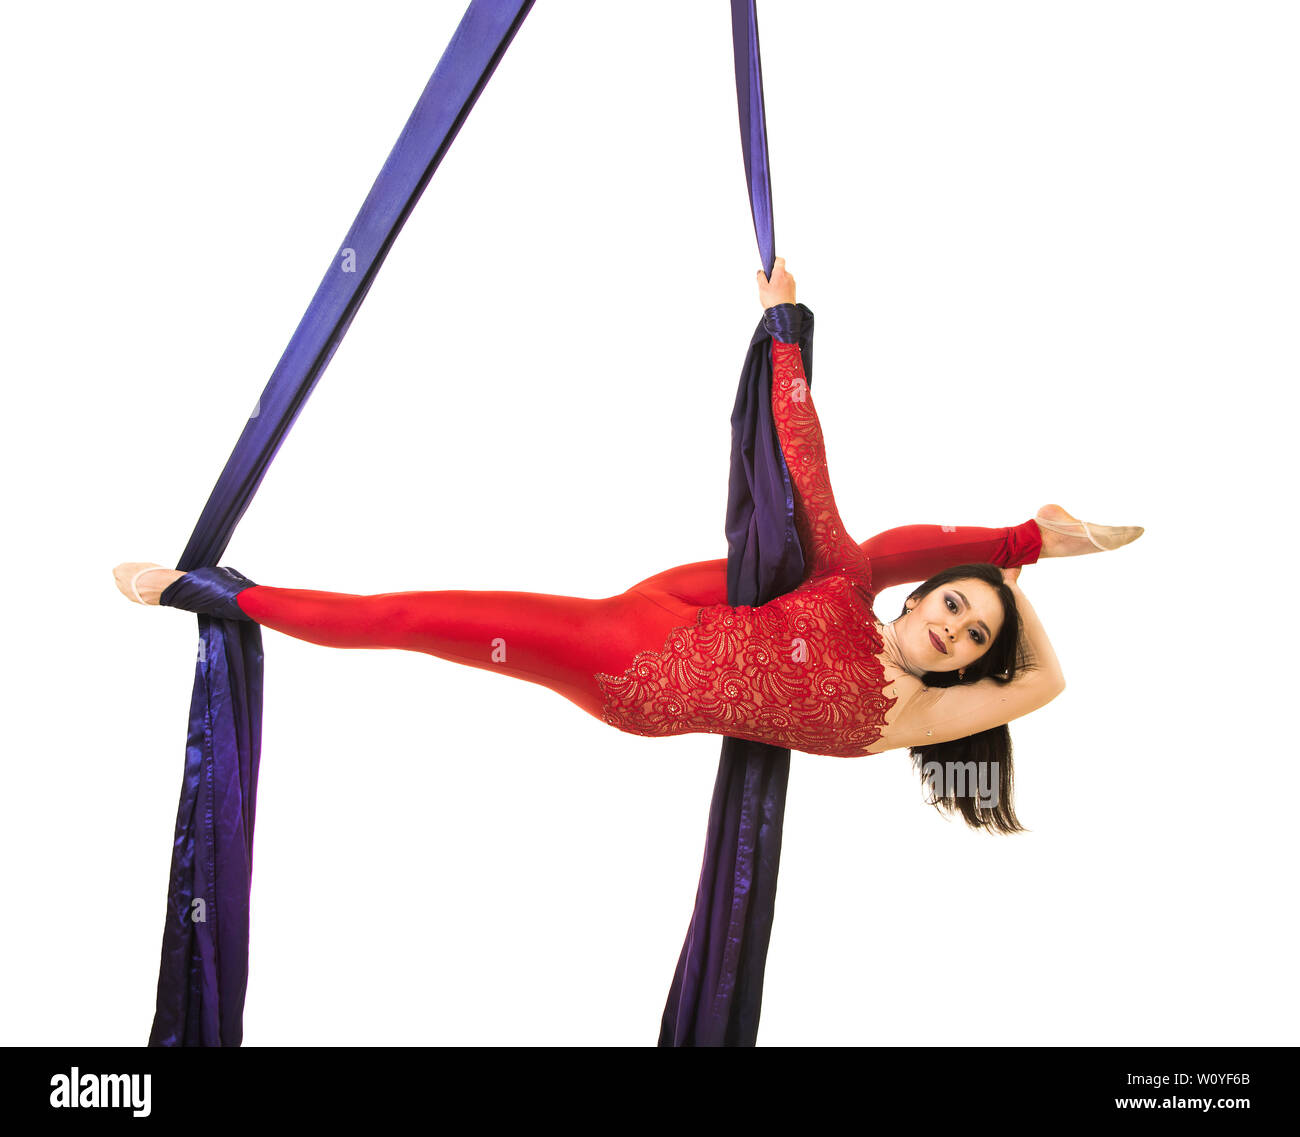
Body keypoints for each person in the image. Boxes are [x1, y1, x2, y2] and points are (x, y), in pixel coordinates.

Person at [113, 258, 1142, 832]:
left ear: (964, 672)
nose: (954, 629)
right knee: (845, 551)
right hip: (729, 600)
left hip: (632, 662)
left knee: (415, 620)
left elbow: (1047, 681)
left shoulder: (915, 717)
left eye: (970, 637)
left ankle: (203, 595)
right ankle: (1028, 533)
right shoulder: (850, 592)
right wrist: (786, 332)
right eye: (954, 603)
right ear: (921, 605)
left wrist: (1011, 582)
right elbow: (809, 470)